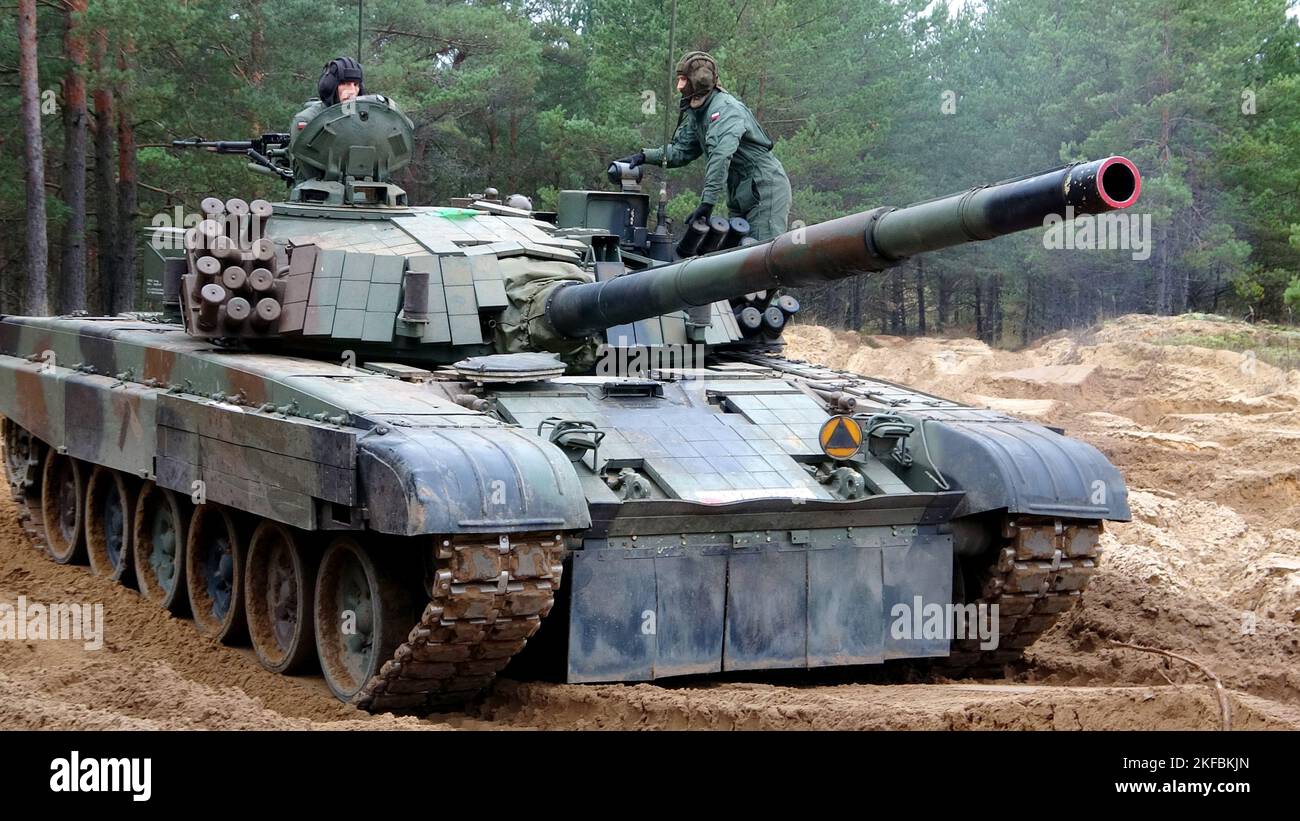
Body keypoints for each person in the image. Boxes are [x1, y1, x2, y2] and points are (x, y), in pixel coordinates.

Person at [615, 51, 792, 242]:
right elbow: (682, 151)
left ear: (699, 81)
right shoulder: (700, 110)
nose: (679, 86)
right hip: (740, 192)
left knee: (761, 253)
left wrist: (707, 202)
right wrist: (645, 156)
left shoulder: (725, 109)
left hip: (764, 188)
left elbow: (721, 155)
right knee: (740, 251)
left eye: (683, 80)